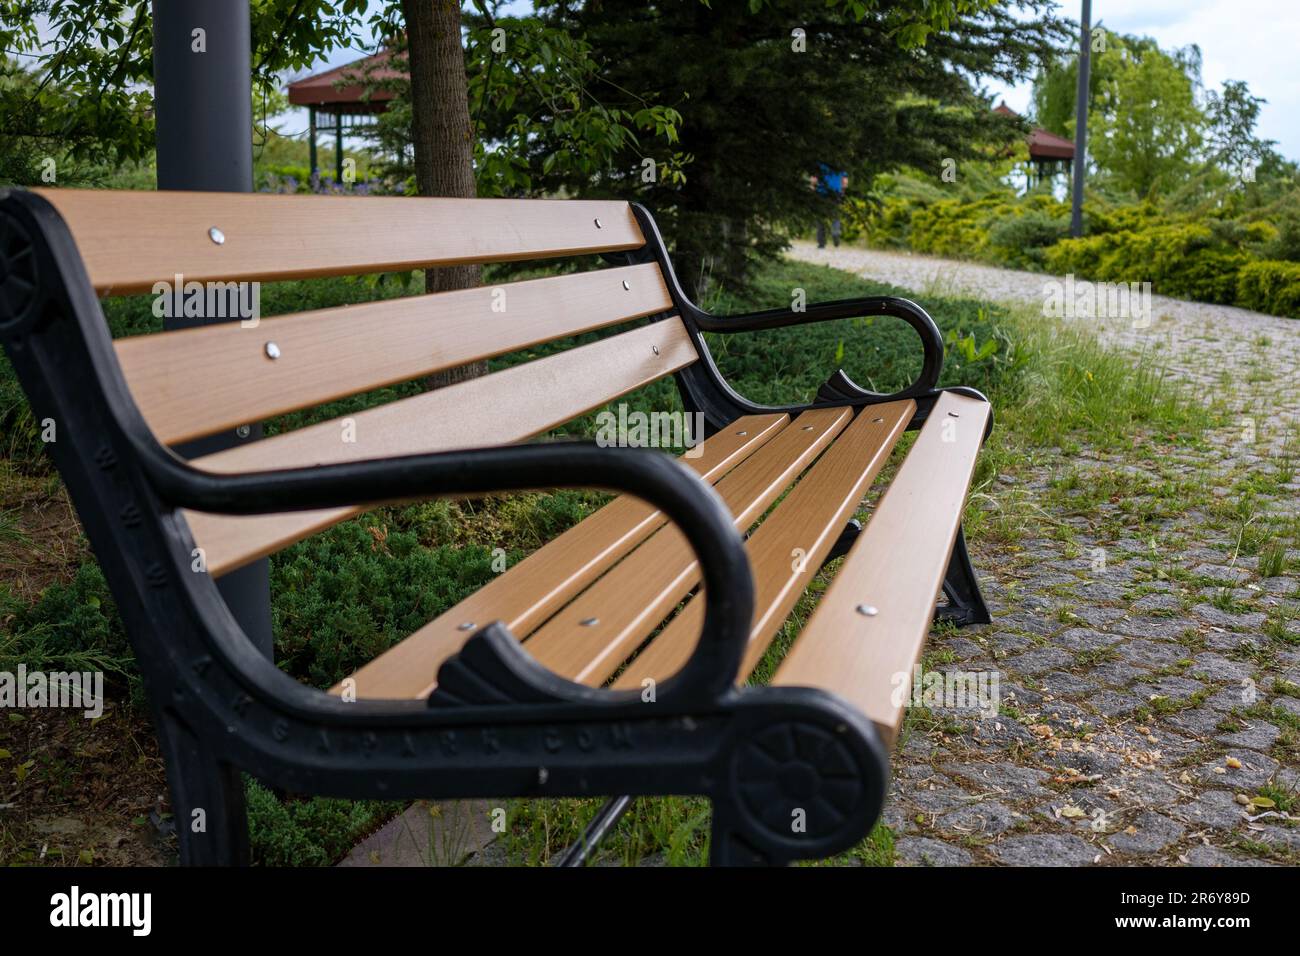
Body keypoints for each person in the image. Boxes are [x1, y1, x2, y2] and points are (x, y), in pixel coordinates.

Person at [812, 162, 849, 248]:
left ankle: (821, 243)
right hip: (836, 193)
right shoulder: (840, 165)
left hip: (821, 193)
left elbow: (814, 180)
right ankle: (835, 233)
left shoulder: (820, 164)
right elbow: (845, 182)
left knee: (820, 218)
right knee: (835, 216)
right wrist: (842, 192)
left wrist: (813, 189)